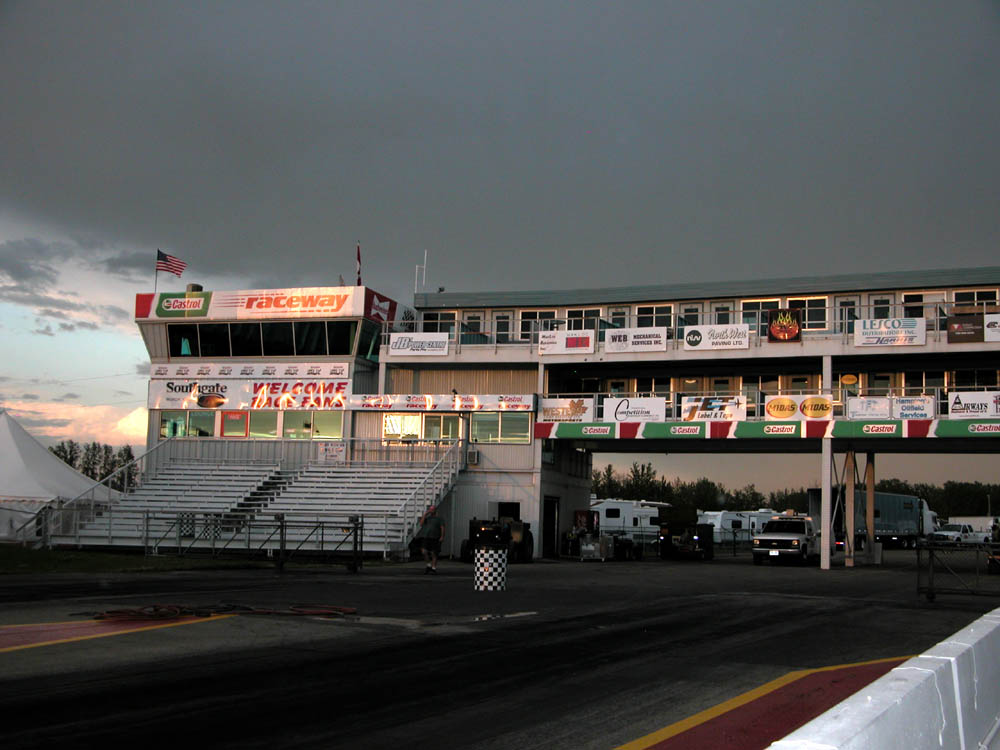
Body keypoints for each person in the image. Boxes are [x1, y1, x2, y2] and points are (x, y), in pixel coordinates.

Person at [415, 505, 445, 574]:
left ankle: (433, 568)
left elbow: (442, 527)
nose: (431, 511)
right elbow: (421, 524)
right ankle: (428, 565)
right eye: (430, 509)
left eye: (432, 509)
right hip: (426, 537)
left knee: (434, 553)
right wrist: (425, 514)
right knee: (423, 551)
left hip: (435, 537)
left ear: (435, 510)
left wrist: (442, 536)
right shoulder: (427, 518)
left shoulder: (439, 518)